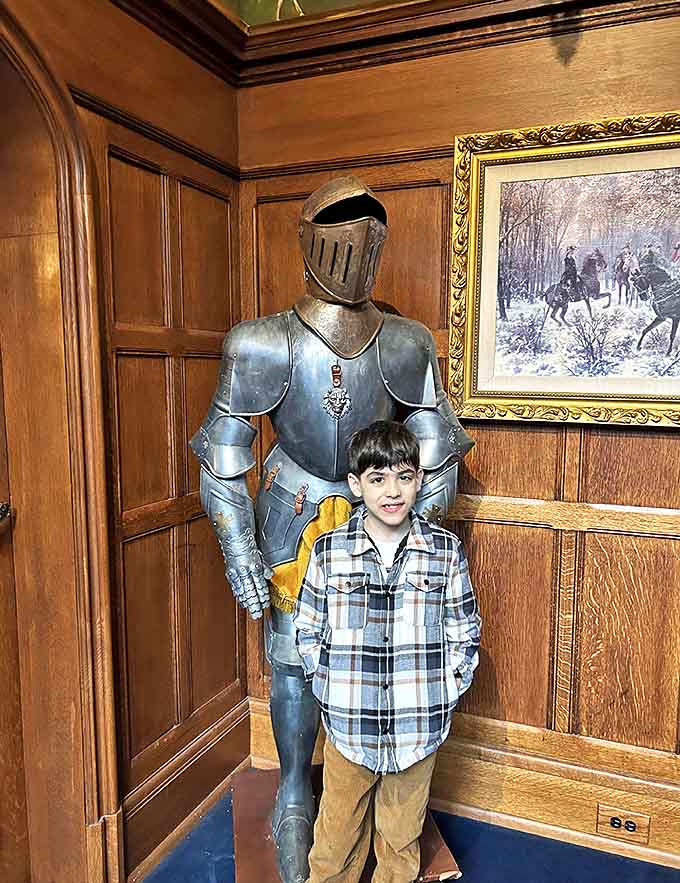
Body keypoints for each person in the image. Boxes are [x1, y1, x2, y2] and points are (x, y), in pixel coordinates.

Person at [190, 177, 474, 883]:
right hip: (291, 508)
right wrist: (238, 550)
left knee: (381, 646)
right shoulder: (260, 343)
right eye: (339, 226)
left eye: (367, 228)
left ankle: (380, 800)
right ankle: (295, 787)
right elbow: (223, 457)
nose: (354, 242)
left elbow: (437, 446)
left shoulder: (407, 341)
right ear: (309, 237)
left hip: (380, 508)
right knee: (291, 653)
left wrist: (418, 523)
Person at [294, 421, 481, 883]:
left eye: (404, 476)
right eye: (378, 479)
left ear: (419, 479)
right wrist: (325, 682)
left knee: (400, 841)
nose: (392, 491)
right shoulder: (328, 551)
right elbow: (308, 627)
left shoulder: (445, 552)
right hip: (349, 725)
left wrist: (447, 689)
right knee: (335, 841)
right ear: (357, 485)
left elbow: (464, 628)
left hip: (417, 725)